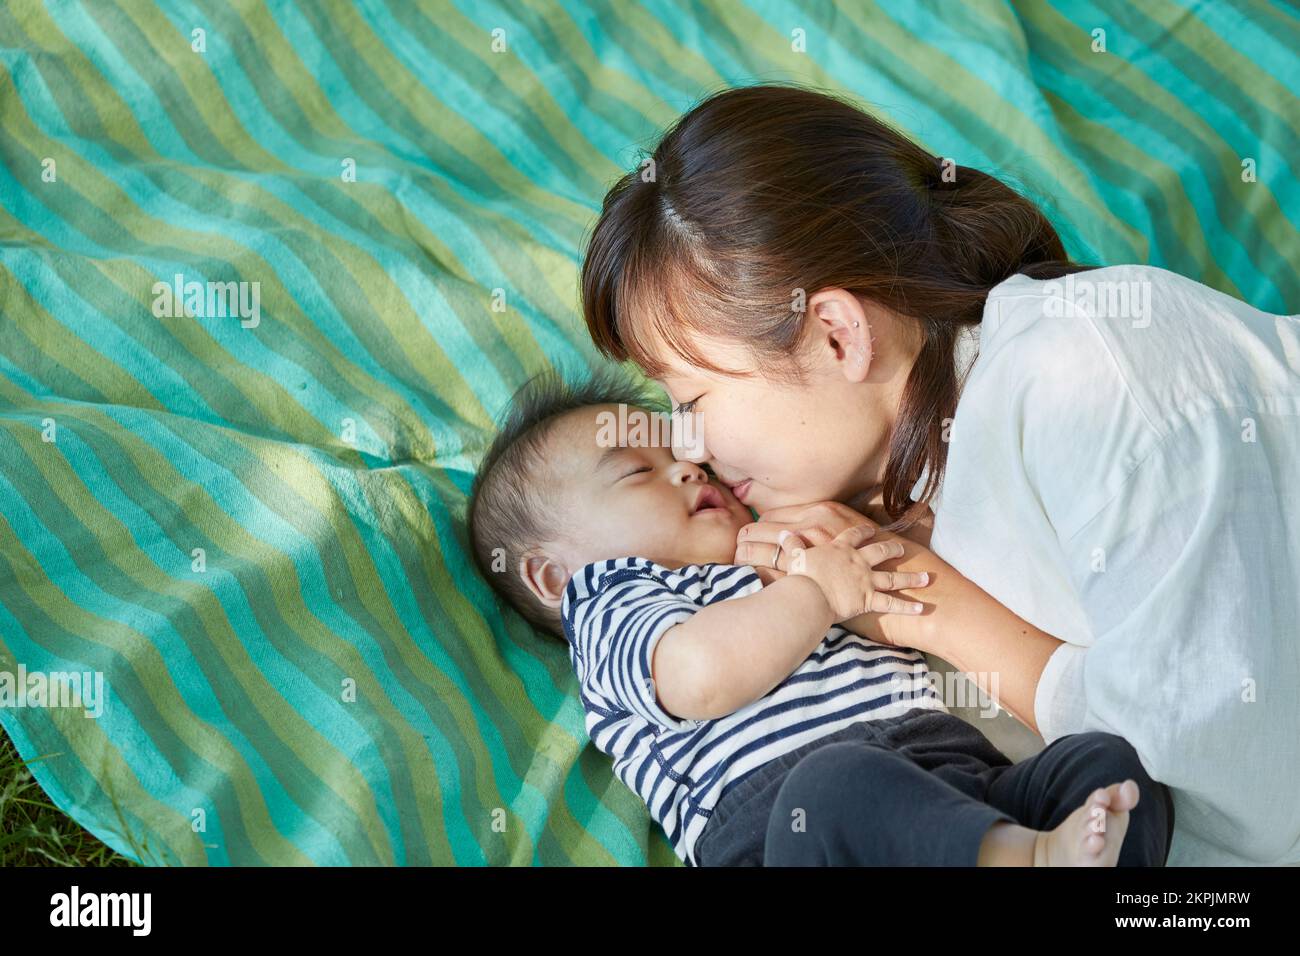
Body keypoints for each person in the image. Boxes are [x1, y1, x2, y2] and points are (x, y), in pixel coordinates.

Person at [579, 83, 1300, 865]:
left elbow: (1233, 808)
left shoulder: (1087, 370)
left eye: (692, 400)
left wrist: (943, 613)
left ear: (834, 334)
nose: (687, 448)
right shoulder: (907, 497)